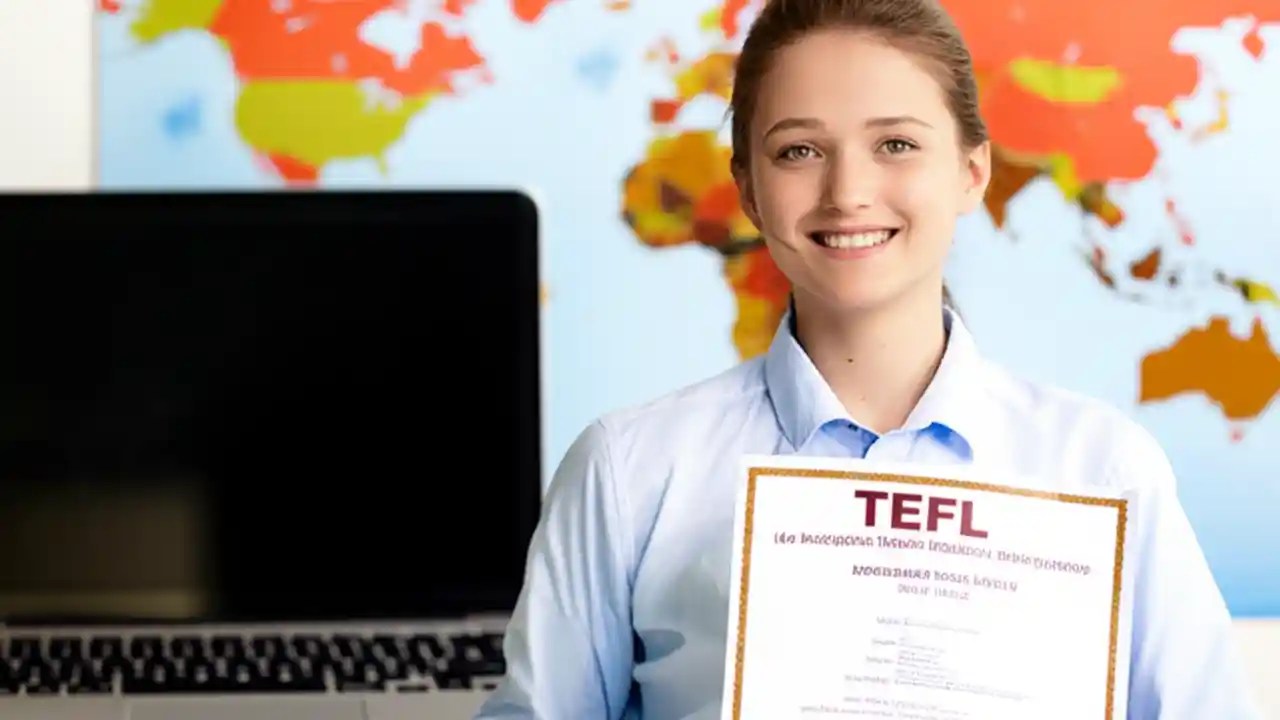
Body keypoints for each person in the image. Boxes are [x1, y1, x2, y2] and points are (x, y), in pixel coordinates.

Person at [475, 0, 1261, 717]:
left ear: (971, 172)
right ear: (747, 187)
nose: (847, 191)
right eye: (799, 151)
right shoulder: (630, 469)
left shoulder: (1104, 470)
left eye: (895, 143)